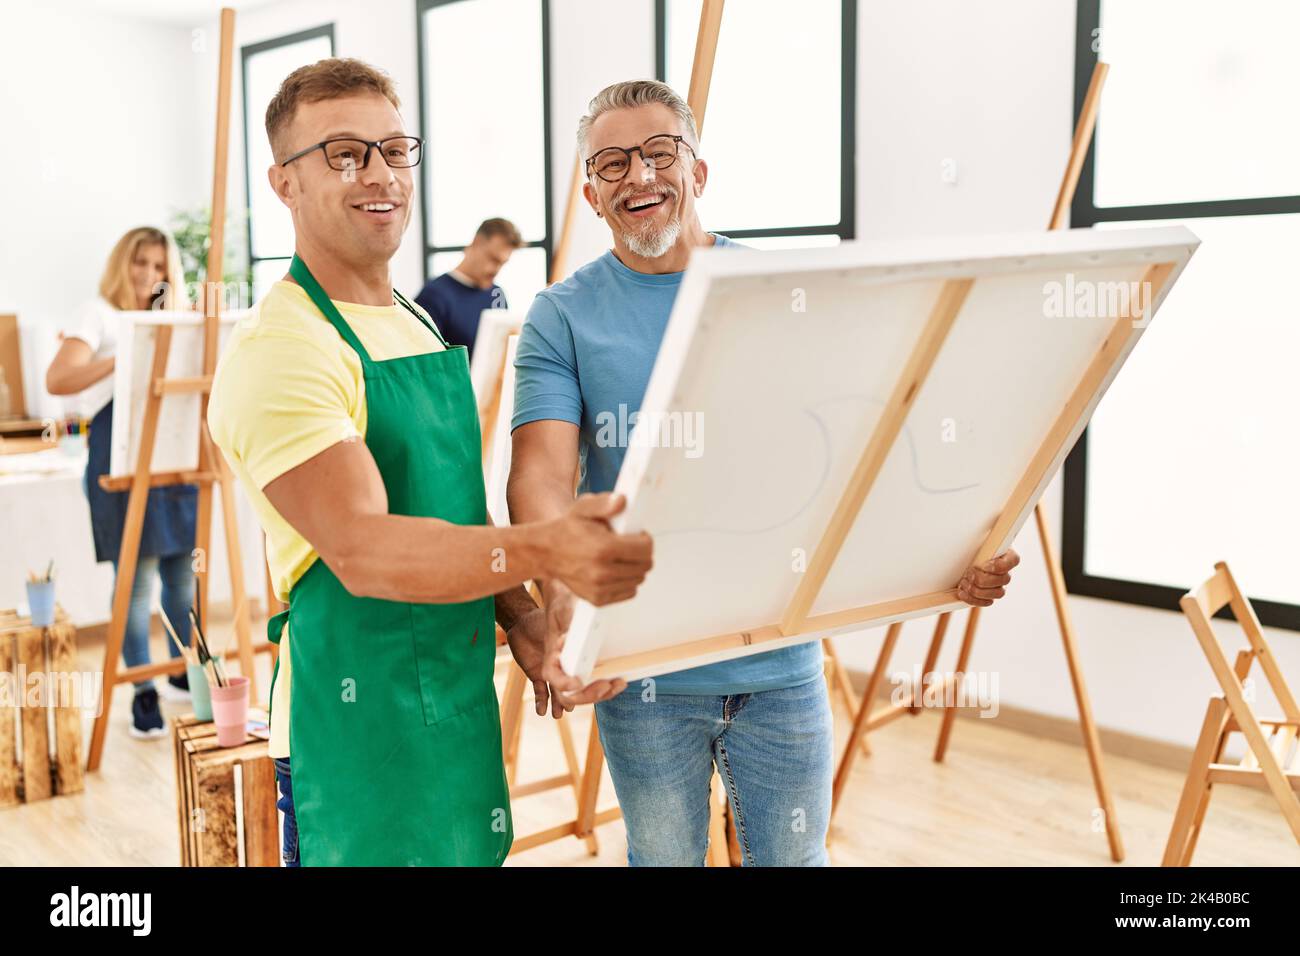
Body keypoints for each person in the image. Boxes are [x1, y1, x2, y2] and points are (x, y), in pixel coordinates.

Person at [507, 79, 1022, 866]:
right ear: (590, 195)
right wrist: (563, 595)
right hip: (643, 673)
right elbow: (540, 477)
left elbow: (870, 448)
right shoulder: (562, 315)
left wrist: (952, 550)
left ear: (698, 173)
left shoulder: (784, 294)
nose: (638, 177)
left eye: (658, 153)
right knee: (664, 859)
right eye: (612, 164)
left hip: (780, 660)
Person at [207, 58, 652, 866]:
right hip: (354, 737)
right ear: (284, 183)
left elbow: (458, 520)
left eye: (393, 149)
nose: (378, 174)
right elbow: (365, 548)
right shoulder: (283, 349)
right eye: (342, 154)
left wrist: (522, 617)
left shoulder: (412, 321)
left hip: (451, 716)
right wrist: (548, 549)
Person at [46, 226, 196, 740]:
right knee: (135, 580)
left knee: (182, 574)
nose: (149, 276)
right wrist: (129, 356)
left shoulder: (174, 316)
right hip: (119, 457)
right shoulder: (99, 315)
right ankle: (141, 690)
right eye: (140, 264)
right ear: (121, 264)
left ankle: (183, 669)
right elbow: (58, 380)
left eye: (159, 266)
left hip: (173, 453)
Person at [413, 217, 522, 357]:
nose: (496, 269)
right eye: (493, 259)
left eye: (502, 263)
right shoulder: (433, 295)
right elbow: (425, 362)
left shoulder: (497, 295)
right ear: (477, 243)